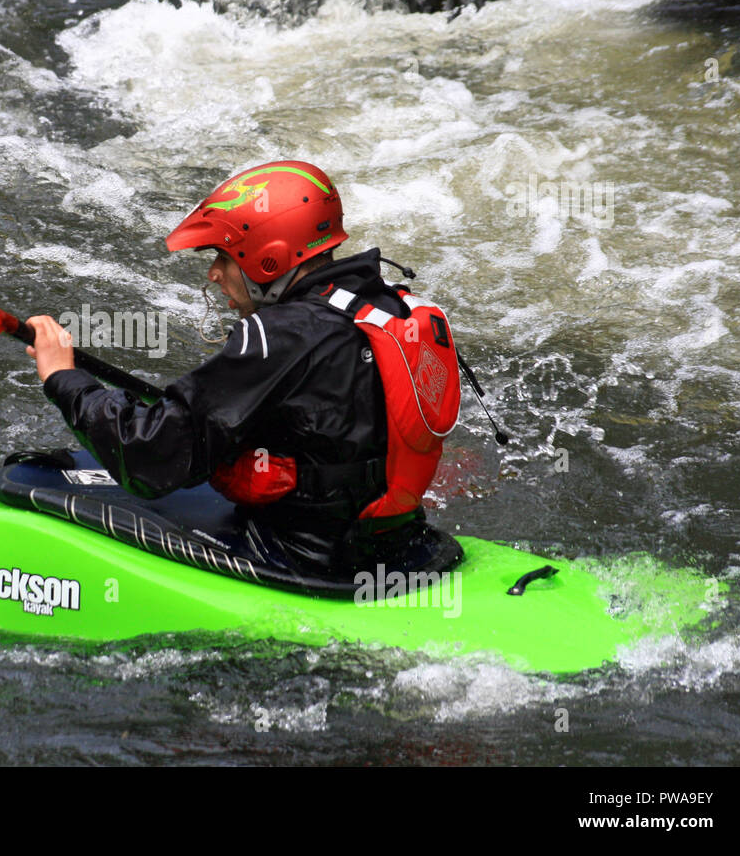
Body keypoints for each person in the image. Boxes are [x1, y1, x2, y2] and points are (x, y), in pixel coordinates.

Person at [25, 160, 461, 578]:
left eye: (224, 257)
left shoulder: (278, 335)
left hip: (305, 557)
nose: (214, 274)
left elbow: (148, 457)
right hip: (396, 545)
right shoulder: (385, 305)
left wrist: (65, 379)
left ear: (266, 259)